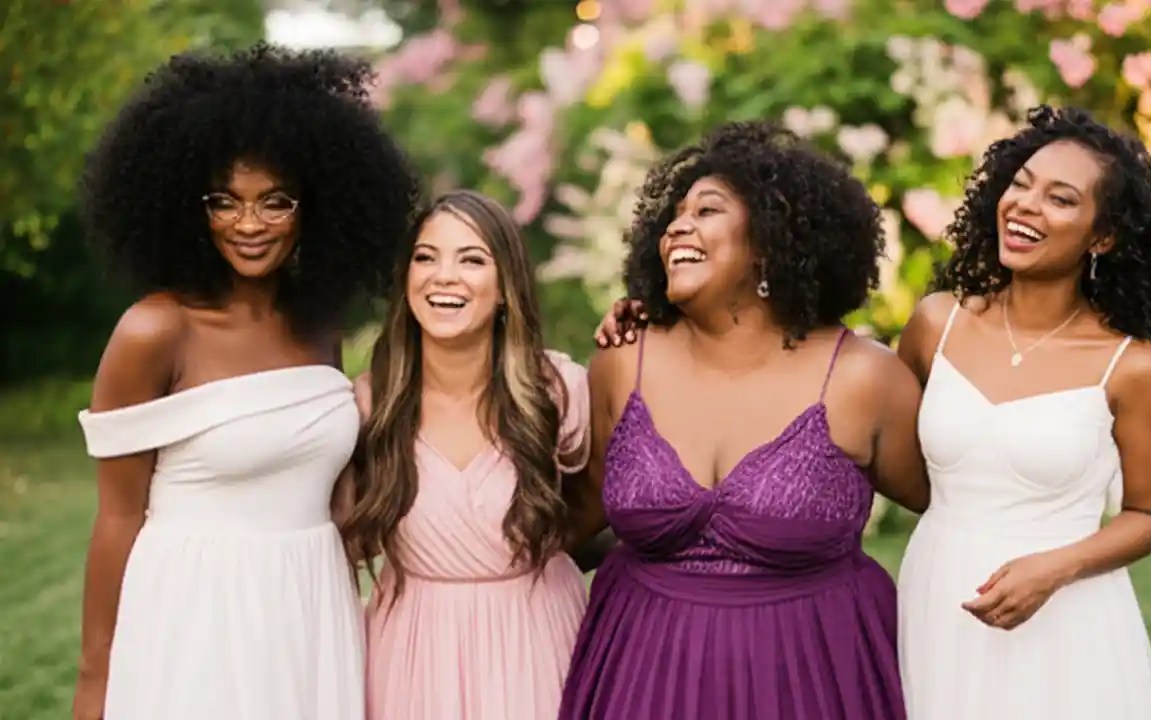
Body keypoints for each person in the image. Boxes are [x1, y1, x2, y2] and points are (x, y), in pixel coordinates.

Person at [73, 44, 415, 720]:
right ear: (188, 206)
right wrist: (95, 680)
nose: (249, 224)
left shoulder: (319, 328)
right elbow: (116, 519)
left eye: (275, 202)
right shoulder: (154, 331)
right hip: (198, 614)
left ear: (313, 206)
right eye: (224, 202)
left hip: (310, 605)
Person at [559, 121, 929, 720]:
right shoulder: (624, 362)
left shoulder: (863, 377)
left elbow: (957, 508)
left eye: (706, 210)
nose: (677, 226)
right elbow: (571, 523)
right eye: (674, 216)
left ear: (771, 239)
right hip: (641, 675)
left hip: (810, 679)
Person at [894, 105, 1151, 719]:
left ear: (1103, 236)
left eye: (1060, 199)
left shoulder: (1133, 367)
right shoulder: (936, 323)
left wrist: (1054, 568)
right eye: (1021, 184)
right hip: (936, 593)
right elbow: (886, 449)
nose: (1025, 206)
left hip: (1066, 614)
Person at [344, 190, 591, 720]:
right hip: (412, 655)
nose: (444, 276)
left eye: (472, 260)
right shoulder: (371, 405)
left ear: (506, 288)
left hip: (536, 644)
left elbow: (607, 512)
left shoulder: (558, 394)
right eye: (426, 257)